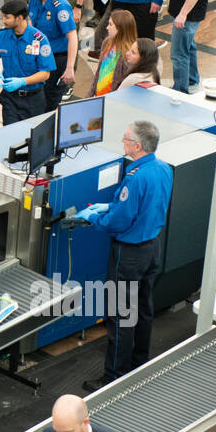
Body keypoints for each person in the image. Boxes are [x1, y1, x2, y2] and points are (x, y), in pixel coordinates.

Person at [78, 120, 173, 389]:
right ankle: (138, 363)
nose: (123, 142)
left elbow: (119, 221)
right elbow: (146, 205)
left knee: (121, 316)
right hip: (152, 248)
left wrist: (94, 219)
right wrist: (110, 205)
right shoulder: (163, 169)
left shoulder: (135, 177)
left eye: (125, 139)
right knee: (143, 309)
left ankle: (114, 376)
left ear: (138, 146)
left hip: (128, 255)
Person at [0, 0, 55, 125]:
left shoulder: (39, 40)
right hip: (10, 98)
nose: (3, 21)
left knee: (31, 139)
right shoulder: (2, 35)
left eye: (7, 17)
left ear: (19, 18)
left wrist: (22, 81)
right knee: (11, 136)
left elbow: (45, 74)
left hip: (33, 99)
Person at [28, 0, 78, 111]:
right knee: (34, 95)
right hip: (38, 54)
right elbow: (32, 23)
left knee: (49, 100)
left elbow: (72, 37)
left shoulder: (60, 7)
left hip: (56, 58)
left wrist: (70, 68)